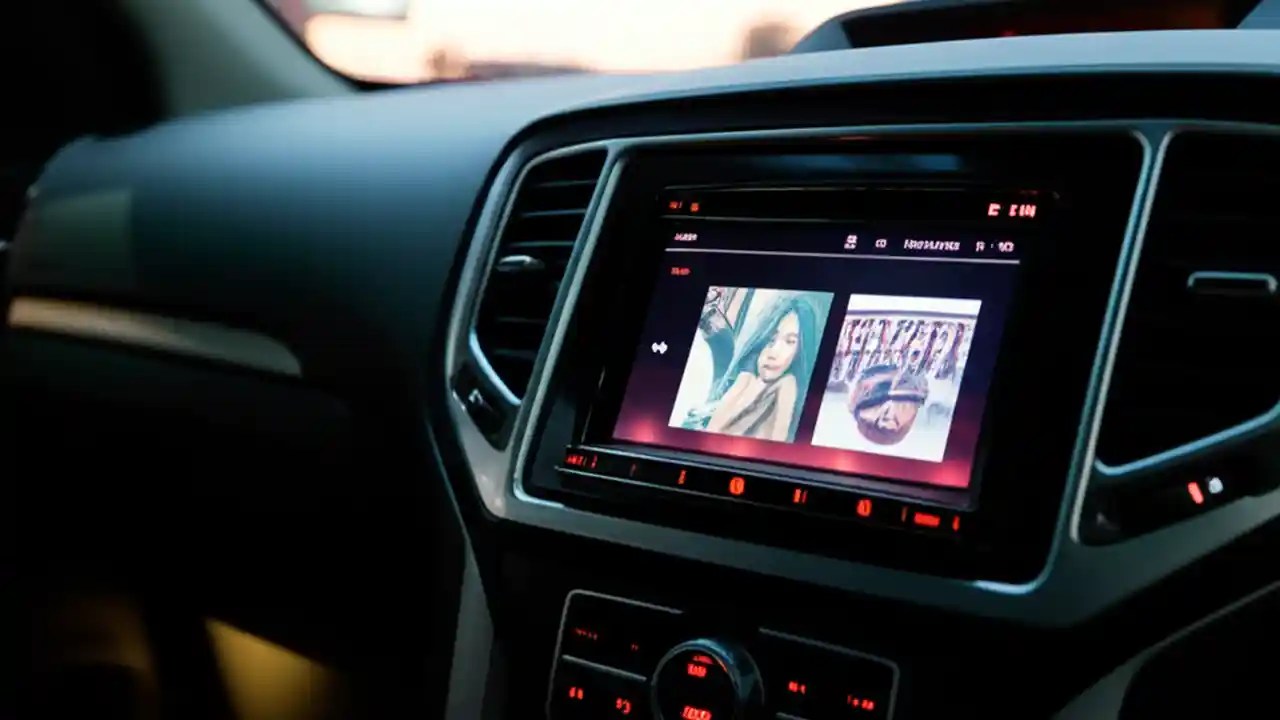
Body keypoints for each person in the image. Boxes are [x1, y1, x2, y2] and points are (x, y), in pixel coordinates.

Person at [705, 294, 821, 442]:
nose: (774, 353)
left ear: (801, 350)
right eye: (771, 340)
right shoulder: (746, 377)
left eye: (790, 342)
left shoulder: (789, 387)